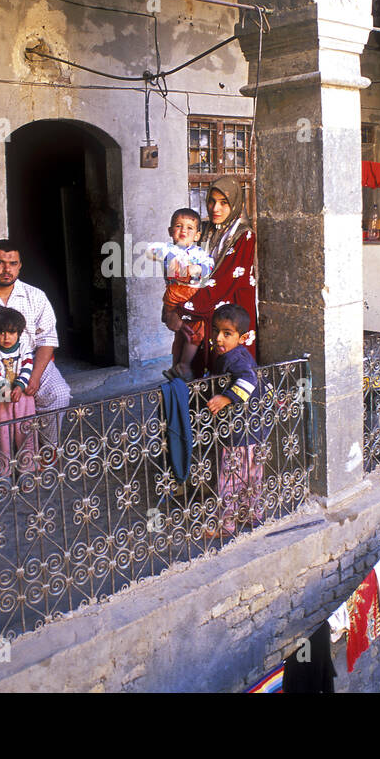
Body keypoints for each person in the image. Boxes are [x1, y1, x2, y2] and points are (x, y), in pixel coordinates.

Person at [0, 240, 72, 461]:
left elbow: (47, 339)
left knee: (59, 394)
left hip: (28, 362)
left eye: (12, 263)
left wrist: (34, 377)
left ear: (19, 265)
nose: (6, 269)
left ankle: (46, 448)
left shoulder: (36, 296)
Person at [180, 176, 259, 378]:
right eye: (212, 201)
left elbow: (226, 278)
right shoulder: (207, 230)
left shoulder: (244, 235)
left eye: (224, 203)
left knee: (231, 366)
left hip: (231, 307)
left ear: (234, 204)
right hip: (211, 300)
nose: (216, 208)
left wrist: (187, 304)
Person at [204, 303, 271, 539]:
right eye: (215, 331)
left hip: (239, 433)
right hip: (255, 431)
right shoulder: (234, 355)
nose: (218, 338)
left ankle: (226, 524)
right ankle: (253, 514)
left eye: (227, 334)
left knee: (230, 478)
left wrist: (226, 398)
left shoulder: (235, 358)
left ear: (242, 338)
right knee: (251, 476)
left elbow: (249, 379)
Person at [147, 207, 216, 381]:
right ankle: (178, 363)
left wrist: (198, 268)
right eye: (178, 226)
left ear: (197, 236)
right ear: (171, 231)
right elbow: (150, 250)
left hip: (191, 295)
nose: (183, 230)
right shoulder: (168, 249)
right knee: (177, 325)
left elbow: (210, 266)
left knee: (193, 333)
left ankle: (181, 365)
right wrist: (161, 254)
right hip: (174, 293)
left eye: (189, 228)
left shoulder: (199, 253)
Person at [0, 306, 38, 470]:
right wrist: (3, 389)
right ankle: (3, 471)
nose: (6, 337)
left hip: (24, 396)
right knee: (3, 435)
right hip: (2, 397)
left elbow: (27, 368)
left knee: (26, 431)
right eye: (1, 332)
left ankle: (28, 468)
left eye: (11, 332)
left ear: (19, 333)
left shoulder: (24, 349)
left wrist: (19, 387)